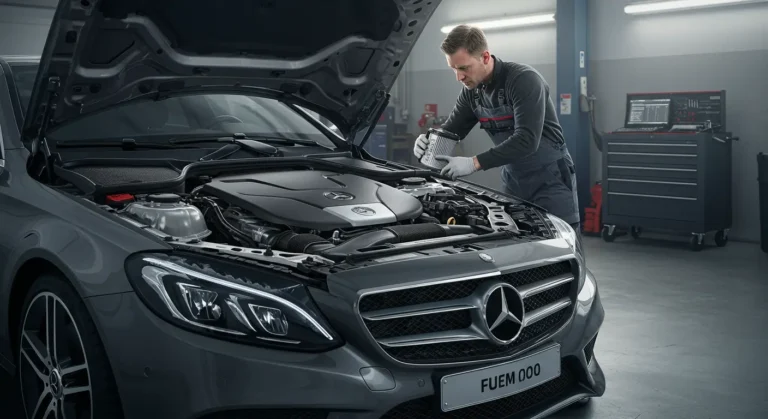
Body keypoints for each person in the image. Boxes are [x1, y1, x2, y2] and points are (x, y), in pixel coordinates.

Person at [413, 25, 581, 232]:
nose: (459, 77)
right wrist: (427, 142)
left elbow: (527, 140)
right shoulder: (471, 93)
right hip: (514, 178)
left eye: (464, 68)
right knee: (518, 238)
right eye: (454, 69)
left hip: (550, 177)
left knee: (561, 238)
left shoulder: (523, 80)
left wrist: (474, 163)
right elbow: (451, 131)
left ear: (485, 57)